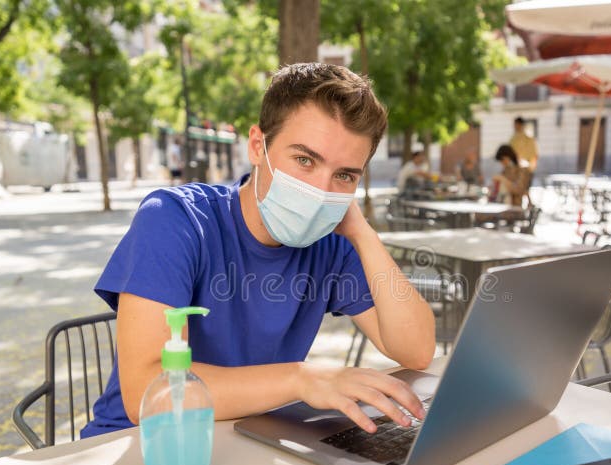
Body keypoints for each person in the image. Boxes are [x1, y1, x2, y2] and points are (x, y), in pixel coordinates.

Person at [80, 63, 435, 439]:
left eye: (344, 175)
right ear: (256, 146)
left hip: (251, 442)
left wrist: (363, 233)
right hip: (143, 446)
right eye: (304, 160)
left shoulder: (331, 243)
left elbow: (415, 351)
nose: (320, 189)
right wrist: (300, 379)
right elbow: (147, 393)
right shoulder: (175, 220)